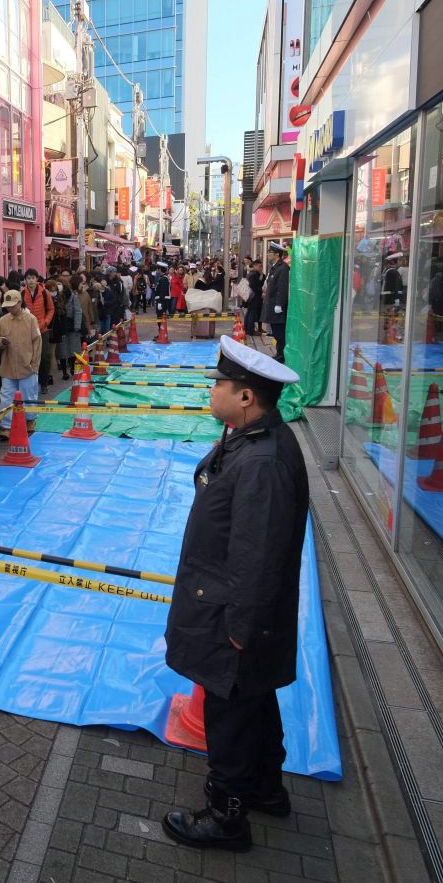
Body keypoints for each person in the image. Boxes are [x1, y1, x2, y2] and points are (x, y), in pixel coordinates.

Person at [163, 338, 309, 852]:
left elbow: (258, 555)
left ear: (245, 396)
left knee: (229, 708)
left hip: (233, 612)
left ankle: (227, 814)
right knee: (254, 698)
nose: (212, 390)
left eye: (219, 384)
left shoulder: (262, 463)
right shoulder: (251, 440)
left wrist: (240, 629)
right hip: (228, 601)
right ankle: (265, 787)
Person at [0, 290, 42, 438]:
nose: (10, 309)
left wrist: (34, 364)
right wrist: (1, 342)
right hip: (8, 366)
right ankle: (6, 427)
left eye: (12, 306)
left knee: (29, 395)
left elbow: (37, 342)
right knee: (6, 397)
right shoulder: (2, 321)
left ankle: (30, 421)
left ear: (20, 303)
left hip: (27, 366)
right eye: (8, 306)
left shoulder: (31, 319)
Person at [22, 270, 57, 393]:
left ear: (37, 279)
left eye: (33, 278)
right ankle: (31, 383)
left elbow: (51, 309)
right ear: (25, 280)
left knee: (44, 357)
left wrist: (45, 322)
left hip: (42, 330)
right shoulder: (21, 293)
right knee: (28, 358)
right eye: (28, 278)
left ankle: (44, 383)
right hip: (26, 331)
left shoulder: (44, 292)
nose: (31, 280)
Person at [264, 244, 291, 361]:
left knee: (279, 331)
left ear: (277, 254)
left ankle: (281, 354)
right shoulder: (274, 267)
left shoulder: (283, 267)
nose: (268, 254)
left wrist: (279, 304)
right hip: (271, 304)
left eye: (270, 252)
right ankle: (279, 352)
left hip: (277, 305)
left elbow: (282, 287)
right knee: (275, 330)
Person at [245, 260, 265, 335]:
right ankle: (250, 330)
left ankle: (248, 329)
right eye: (259, 266)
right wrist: (261, 291)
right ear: (254, 266)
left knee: (250, 313)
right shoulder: (253, 274)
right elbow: (254, 286)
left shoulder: (255, 273)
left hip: (252, 297)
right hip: (254, 297)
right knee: (252, 314)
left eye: (262, 267)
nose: (261, 268)